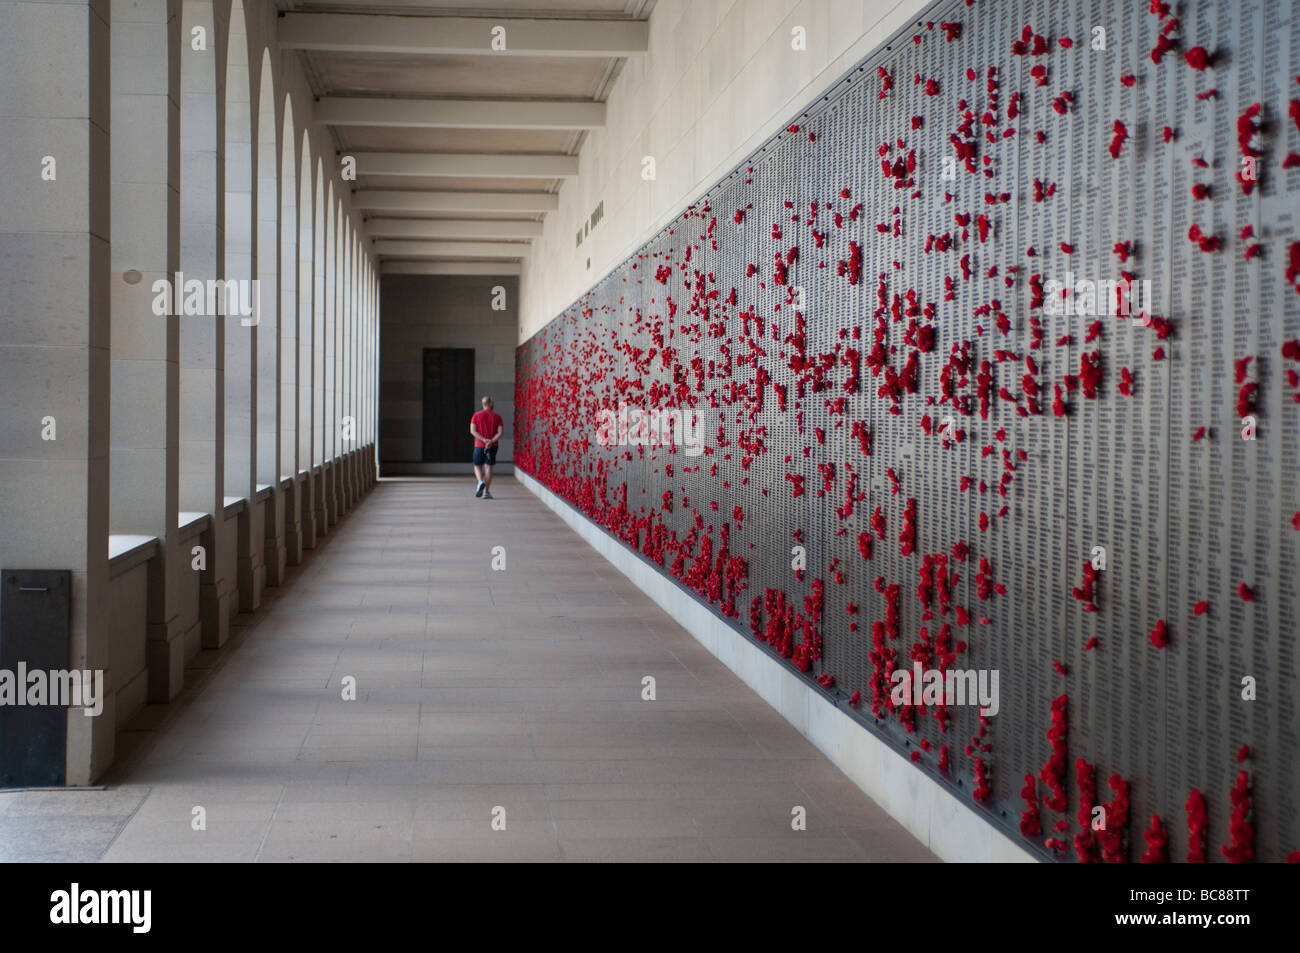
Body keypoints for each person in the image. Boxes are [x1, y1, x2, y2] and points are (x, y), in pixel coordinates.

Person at [470, 395, 504, 499]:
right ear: (491, 404)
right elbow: (500, 432)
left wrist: (483, 440)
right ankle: (486, 492)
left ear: (483, 404)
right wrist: (491, 441)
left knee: (477, 465)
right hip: (492, 446)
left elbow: (472, 431)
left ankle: (480, 482)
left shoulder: (476, 415)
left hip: (479, 445)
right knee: (488, 467)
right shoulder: (497, 417)